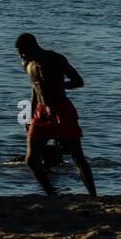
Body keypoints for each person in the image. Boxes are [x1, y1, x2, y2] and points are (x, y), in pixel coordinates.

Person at [15, 32, 96, 196]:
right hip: (41, 112)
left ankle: (93, 195)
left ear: (33, 46)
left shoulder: (55, 59)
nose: (22, 56)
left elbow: (78, 81)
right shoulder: (27, 64)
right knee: (31, 160)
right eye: (20, 53)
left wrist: (59, 86)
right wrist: (29, 116)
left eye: (23, 52)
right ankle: (51, 193)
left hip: (62, 109)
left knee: (77, 156)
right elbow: (35, 90)